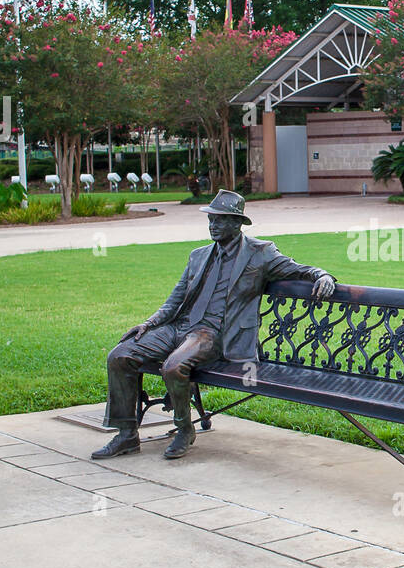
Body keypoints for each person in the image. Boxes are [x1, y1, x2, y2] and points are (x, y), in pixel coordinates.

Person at [95, 190, 335, 461]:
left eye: (219, 220)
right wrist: (149, 324)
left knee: (173, 367)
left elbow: (296, 268)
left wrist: (322, 275)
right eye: (210, 219)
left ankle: (185, 430)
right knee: (120, 356)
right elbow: (175, 299)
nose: (212, 225)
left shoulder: (260, 253)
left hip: (214, 334)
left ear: (237, 223)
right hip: (179, 327)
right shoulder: (198, 255)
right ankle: (126, 435)